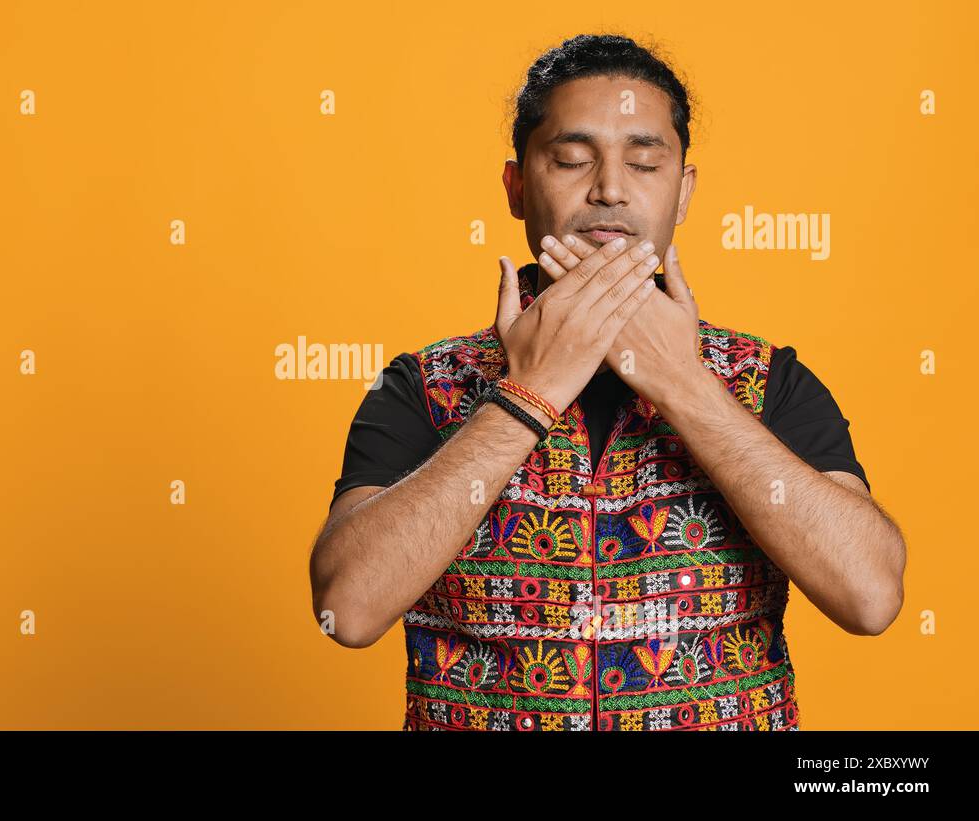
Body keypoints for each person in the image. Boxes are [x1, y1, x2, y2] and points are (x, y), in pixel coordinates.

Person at [308, 34, 906, 731]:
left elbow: (871, 597)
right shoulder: (421, 387)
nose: (610, 189)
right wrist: (524, 397)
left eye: (645, 161)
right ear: (515, 187)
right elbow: (345, 610)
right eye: (570, 159)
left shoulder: (769, 381)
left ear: (682, 192)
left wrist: (686, 385)